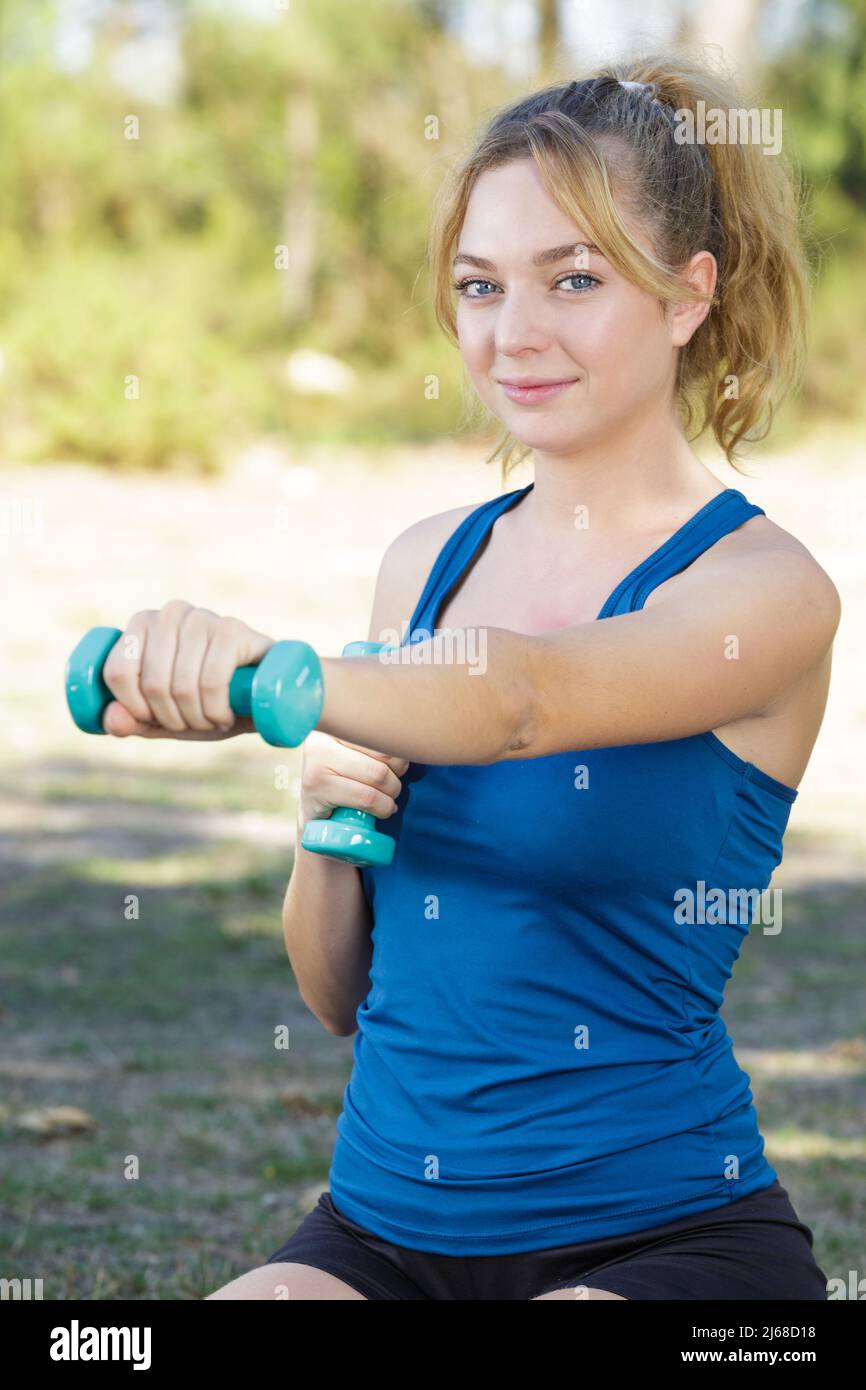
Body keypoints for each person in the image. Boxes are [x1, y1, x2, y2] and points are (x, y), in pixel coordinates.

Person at [105, 57, 840, 1300]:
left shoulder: (763, 593)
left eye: (575, 278)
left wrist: (271, 678)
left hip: (663, 1243)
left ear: (684, 296)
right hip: (378, 1232)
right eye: (479, 286)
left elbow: (521, 701)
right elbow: (339, 995)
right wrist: (324, 826)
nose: (515, 332)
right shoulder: (421, 568)